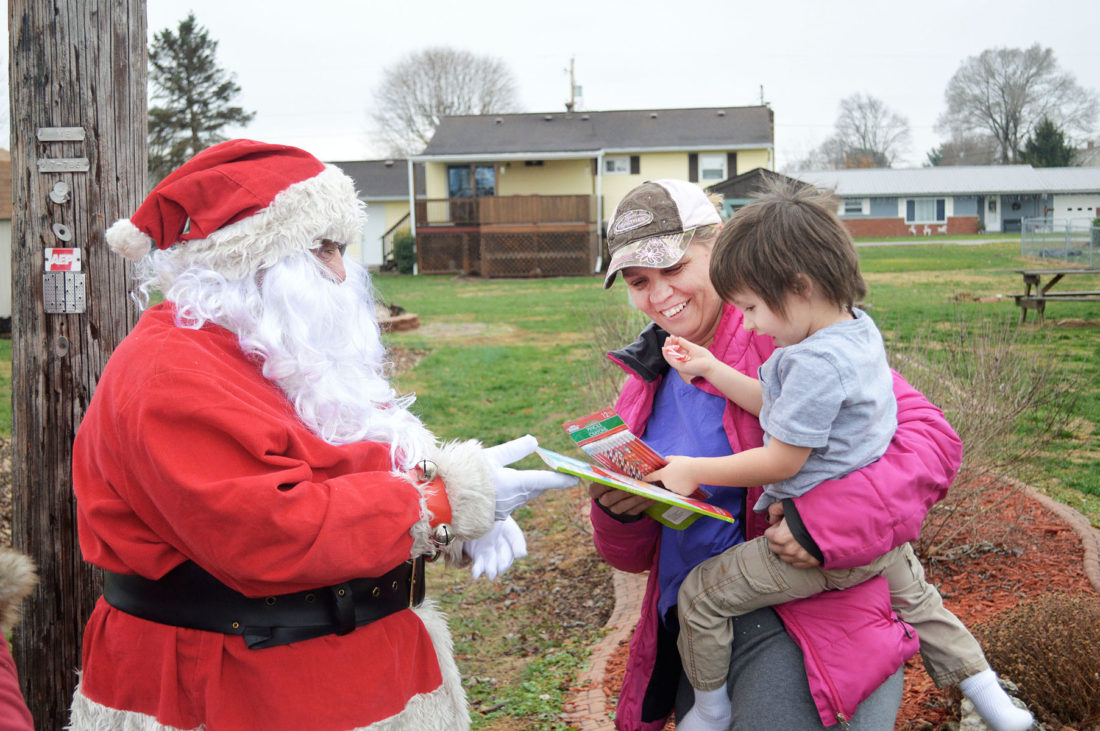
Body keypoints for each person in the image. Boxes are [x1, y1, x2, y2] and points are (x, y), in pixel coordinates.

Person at [68, 139, 575, 730]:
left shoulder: (271, 349)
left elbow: (345, 455)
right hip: (236, 686)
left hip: (354, 670)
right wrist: (442, 502)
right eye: (323, 248)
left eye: (342, 248)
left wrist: (447, 516)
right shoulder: (172, 373)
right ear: (243, 256)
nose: (342, 273)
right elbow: (269, 533)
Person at [649, 181, 1034, 731]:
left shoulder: (811, 364)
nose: (751, 323)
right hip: (879, 540)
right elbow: (779, 409)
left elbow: (782, 460)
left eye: (754, 307)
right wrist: (713, 369)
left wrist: (693, 471)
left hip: (818, 547)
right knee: (924, 606)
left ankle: (710, 713)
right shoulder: (852, 331)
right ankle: (996, 704)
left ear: (799, 287)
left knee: (701, 597)